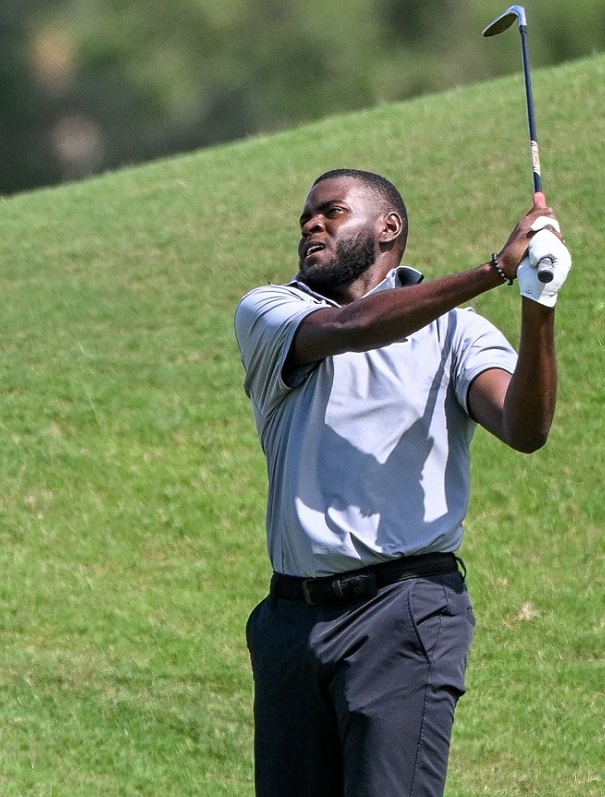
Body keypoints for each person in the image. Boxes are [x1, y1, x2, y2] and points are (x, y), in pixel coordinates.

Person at [233, 168, 573, 797]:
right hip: (291, 620)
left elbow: (524, 427)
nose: (311, 225)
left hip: (403, 610)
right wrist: (493, 271)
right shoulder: (272, 311)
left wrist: (538, 300)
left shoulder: (458, 333)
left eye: (332, 212)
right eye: (307, 218)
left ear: (388, 228)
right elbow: (354, 329)